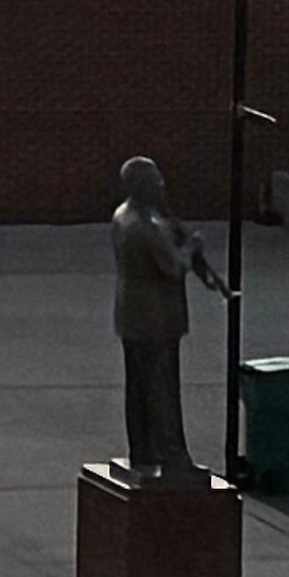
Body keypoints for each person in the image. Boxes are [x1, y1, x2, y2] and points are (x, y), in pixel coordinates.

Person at [111, 155, 226, 485]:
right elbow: (172, 268)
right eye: (157, 182)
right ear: (144, 186)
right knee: (163, 392)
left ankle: (143, 451)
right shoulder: (145, 227)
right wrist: (191, 247)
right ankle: (174, 457)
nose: (163, 186)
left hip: (131, 317)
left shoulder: (124, 215)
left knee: (138, 390)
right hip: (156, 320)